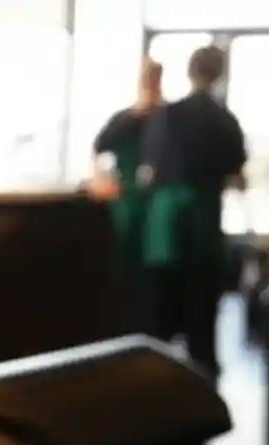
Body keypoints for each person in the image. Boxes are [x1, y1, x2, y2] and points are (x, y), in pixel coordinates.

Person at [142, 46, 247, 380]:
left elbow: (149, 172)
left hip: (167, 219)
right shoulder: (225, 120)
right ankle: (203, 364)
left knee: (161, 293)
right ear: (219, 74)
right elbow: (237, 174)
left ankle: (154, 360)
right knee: (202, 294)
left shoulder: (167, 115)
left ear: (188, 72)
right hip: (204, 215)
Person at [93, 59, 164, 281]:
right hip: (125, 197)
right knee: (125, 259)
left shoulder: (166, 118)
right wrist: (103, 180)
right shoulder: (124, 120)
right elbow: (99, 150)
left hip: (155, 199)